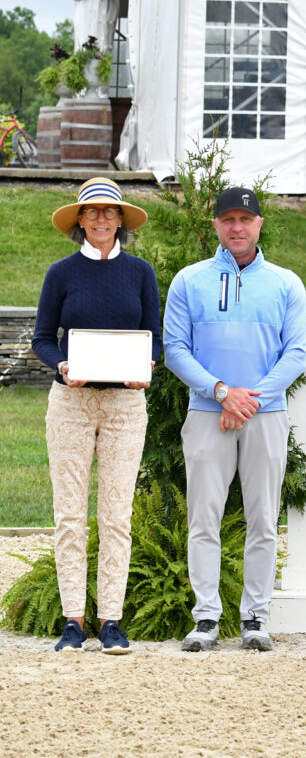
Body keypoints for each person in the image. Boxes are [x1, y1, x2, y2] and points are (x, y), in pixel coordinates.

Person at [165, 187, 306, 652]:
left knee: (263, 518)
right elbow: (175, 350)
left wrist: (248, 400)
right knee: (203, 517)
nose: (237, 227)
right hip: (209, 412)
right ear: (216, 226)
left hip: (265, 416)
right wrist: (222, 393)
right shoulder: (189, 280)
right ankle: (206, 617)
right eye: (228, 219)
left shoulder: (287, 284)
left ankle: (255, 618)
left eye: (245, 219)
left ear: (259, 224)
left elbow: (297, 354)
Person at [30, 178, 160, 655]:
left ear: (121, 221)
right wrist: (62, 365)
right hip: (71, 403)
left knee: (116, 514)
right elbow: (42, 337)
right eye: (93, 212)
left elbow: (155, 336)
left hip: (126, 405)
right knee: (69, 513)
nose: (102, 219)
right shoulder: (60, 274)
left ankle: (111, 620)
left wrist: (145, 366)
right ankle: (72, 620)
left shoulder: (140, 273)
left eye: (111, 212)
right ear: (79, 221)